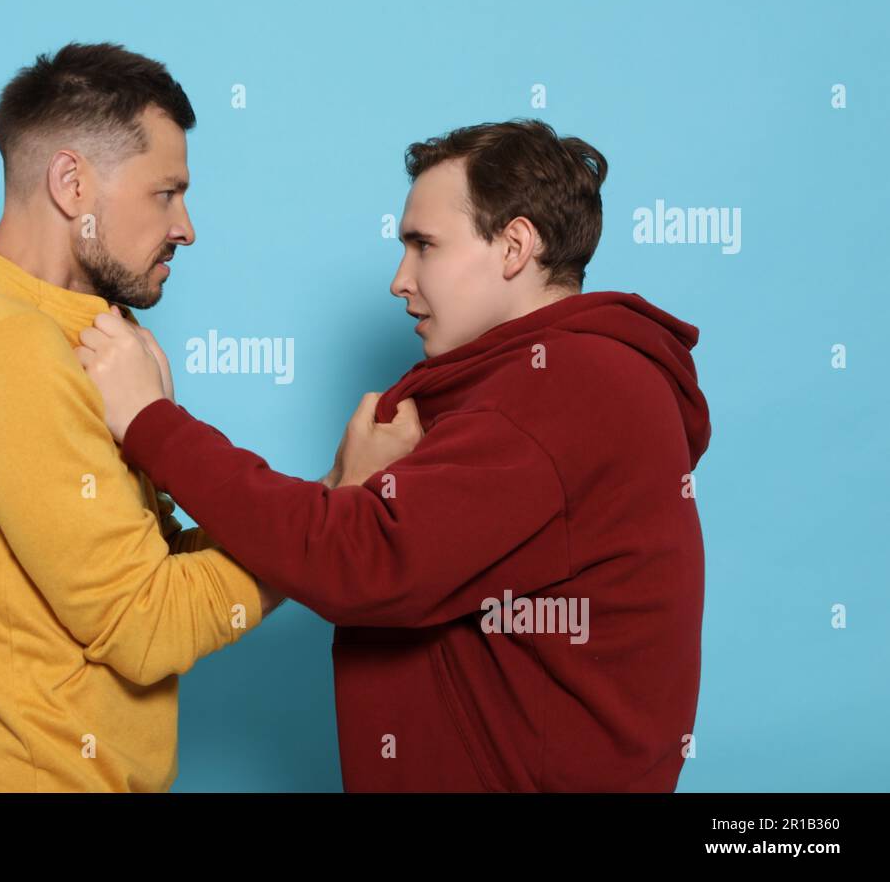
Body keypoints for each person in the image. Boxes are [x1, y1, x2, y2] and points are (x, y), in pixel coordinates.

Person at [77, 118, 713, 791]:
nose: (399, 279)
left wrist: (150, 421)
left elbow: (363, 565)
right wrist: (362, 485)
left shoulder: (568, 384)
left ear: (515, 247)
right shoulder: (539, 378)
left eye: (424, 245)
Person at [0, 41, 412, 791]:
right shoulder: (7, 348)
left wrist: (329, 496)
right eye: (166, 192)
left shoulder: (70, 334)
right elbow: (146, 624)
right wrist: (335, 518)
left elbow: (146, 573)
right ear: (71, 182)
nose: (186, 226)